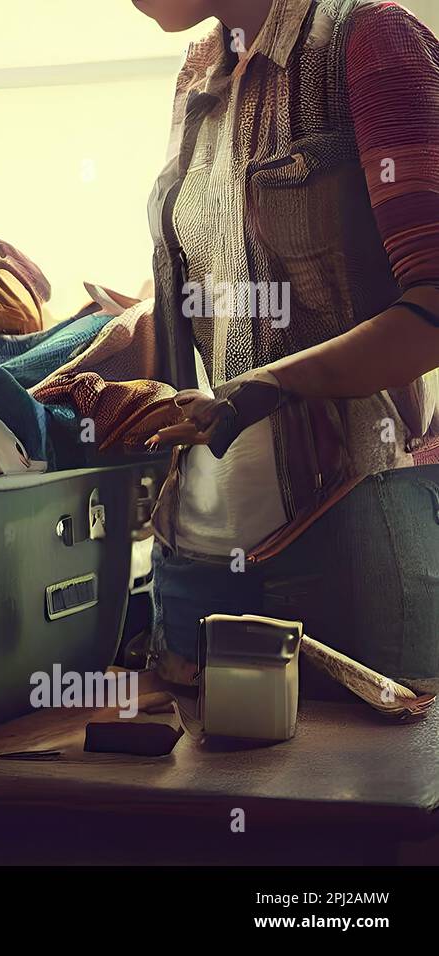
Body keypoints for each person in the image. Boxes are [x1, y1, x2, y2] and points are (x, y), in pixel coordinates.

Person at [132, 0, 439, 687]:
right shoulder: (197, 77)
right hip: (193, 557)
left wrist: (257, 390)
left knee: (362, 788)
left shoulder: (368, 41)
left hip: (351, 538)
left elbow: (432, 306)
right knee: (185, 792)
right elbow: (208, 291)